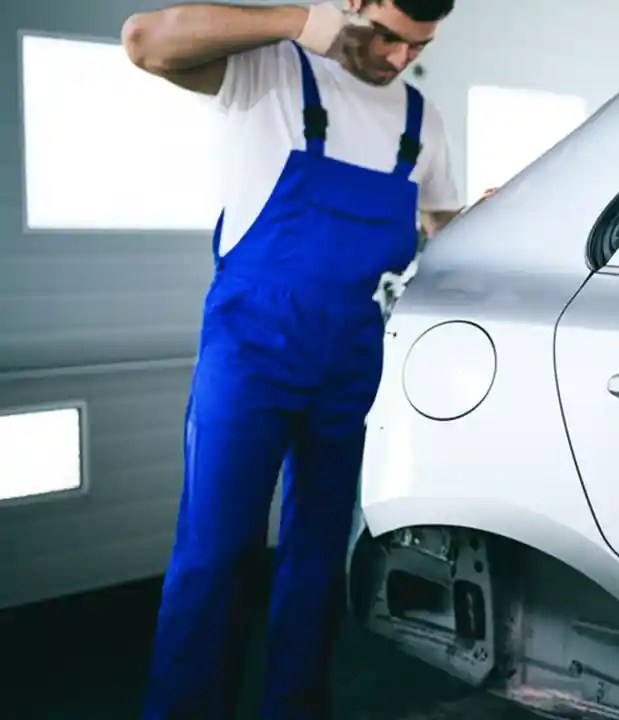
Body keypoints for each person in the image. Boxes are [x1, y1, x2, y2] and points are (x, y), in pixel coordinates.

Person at [120, 1, 461, 716]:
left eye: (418, 46)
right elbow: (144, 41)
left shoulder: (421, 119)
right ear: (355, 5)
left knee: (315, 562)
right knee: (216, 553)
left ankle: (295, 705)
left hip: (353, 356)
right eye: (390, 36)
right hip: (252, 347)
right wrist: (305, 25)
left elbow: (444, 229)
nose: (399, 59)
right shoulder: (272, 69)